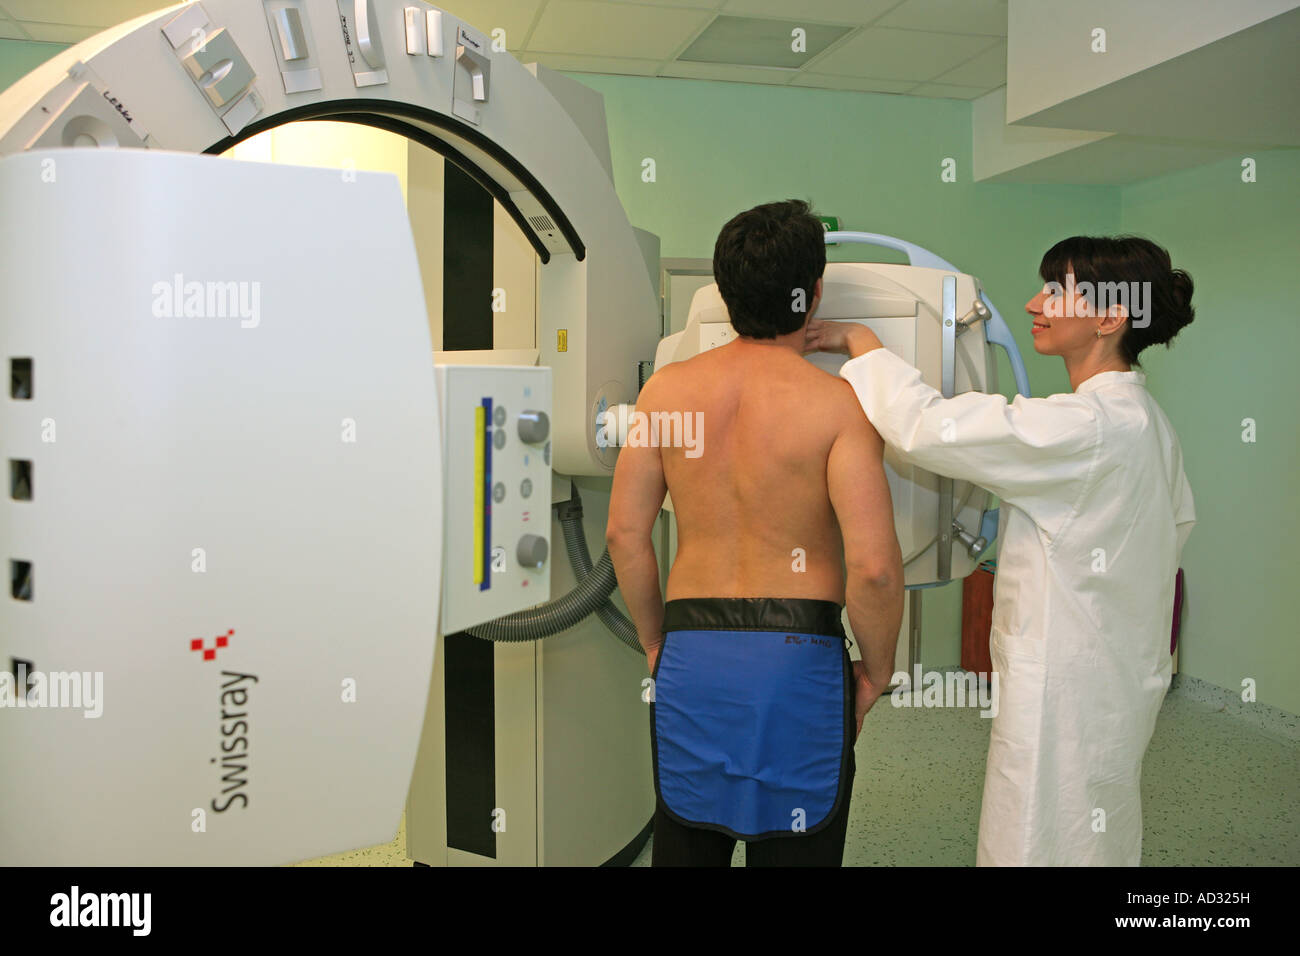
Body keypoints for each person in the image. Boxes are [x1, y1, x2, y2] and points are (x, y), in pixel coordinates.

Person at [807, 235, 1196, 866]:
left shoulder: (1085, 427)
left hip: (1063, 688)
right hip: (1116, 675)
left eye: (1056, 291)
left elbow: (931, 427)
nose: (1034, 302)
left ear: (1109, 316)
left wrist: (862, 344)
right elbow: (1172, 530)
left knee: (1037, 836)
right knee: (1094, 830)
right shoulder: (1146, 422)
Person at [607, 199, 904, 867]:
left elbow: (626, 534)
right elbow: (876, 567)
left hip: (693, 650)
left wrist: (657, 641)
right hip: (798, 657)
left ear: (722, 290)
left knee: (688, 839)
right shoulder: (840, 406)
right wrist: (875, 672)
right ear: (813, 293)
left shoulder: (665, 393)